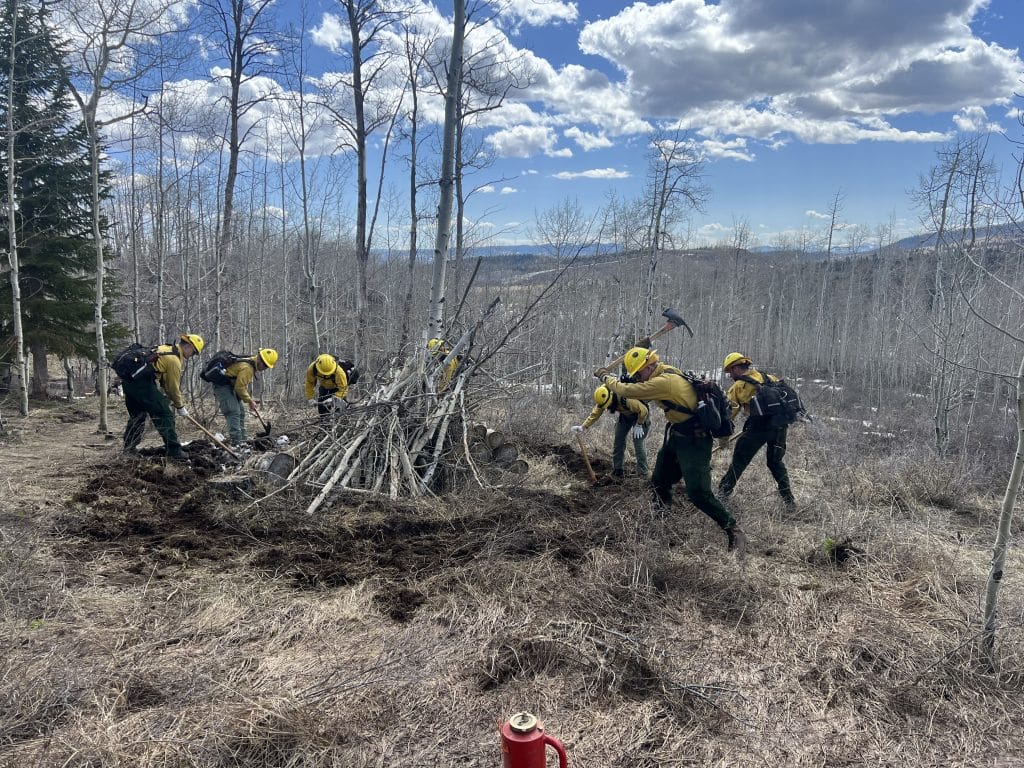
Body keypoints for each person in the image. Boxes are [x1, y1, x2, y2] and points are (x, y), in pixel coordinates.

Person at [599, 346, 746, 554]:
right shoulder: (665, 370)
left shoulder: (665, 382)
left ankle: (734, 529)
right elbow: (636, 384)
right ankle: (661, 520)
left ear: (650, 366)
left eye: (640, 373)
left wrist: (606, 377)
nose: (639, 378)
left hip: (695, 441)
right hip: (677, 436)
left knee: (698, 493)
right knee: (659, 481)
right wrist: (627, 377)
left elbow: (628, 392)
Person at [717, 352, 795, 510]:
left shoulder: (738, 386)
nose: (730, 375)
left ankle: (722, 494)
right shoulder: (769, 377)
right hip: (780, 425)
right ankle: (789, 501)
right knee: (775, 462)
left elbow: (729, 413)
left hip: (759, 428)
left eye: (730, 371)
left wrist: (723, 438)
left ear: (736, 368)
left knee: (739, 460)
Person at [122, 333, 204, 459]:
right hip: (141, 384)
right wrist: (180, 406)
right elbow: (172, 388)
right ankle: (174, 451)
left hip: (129, 382)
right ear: (188, 346)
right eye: (193, 352)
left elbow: (165, 382)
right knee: (165, 414)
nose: (192, 356)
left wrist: (170, 398)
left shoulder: (166, 348)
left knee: (138, 415)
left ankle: (129, 449)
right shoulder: (174, 360)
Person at [570, 384, 650, 479]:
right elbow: (595, 414)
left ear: (611, 397)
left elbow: (644, 410)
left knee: (638, 443)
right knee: (618, 441)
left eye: (608, 405)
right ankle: (618, 470)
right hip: (625, 416)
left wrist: (639, 424)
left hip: (640, 416)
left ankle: (644, 473)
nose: (607, 408)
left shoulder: (625, 398)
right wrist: (583, 426)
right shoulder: (602, 397)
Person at [211, 347, 278, 446]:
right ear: (259, 359)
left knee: (241, 412)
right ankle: (237, 444)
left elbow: (240, 385)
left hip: (231, 386)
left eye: (267, 367)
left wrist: (248, 400)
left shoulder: (251, 363)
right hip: (223, 386)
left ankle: (243, 442)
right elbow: (240, 387)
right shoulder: (248, 368)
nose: (264, 369)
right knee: (234, 412)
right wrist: (250, 401)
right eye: (265, 366)